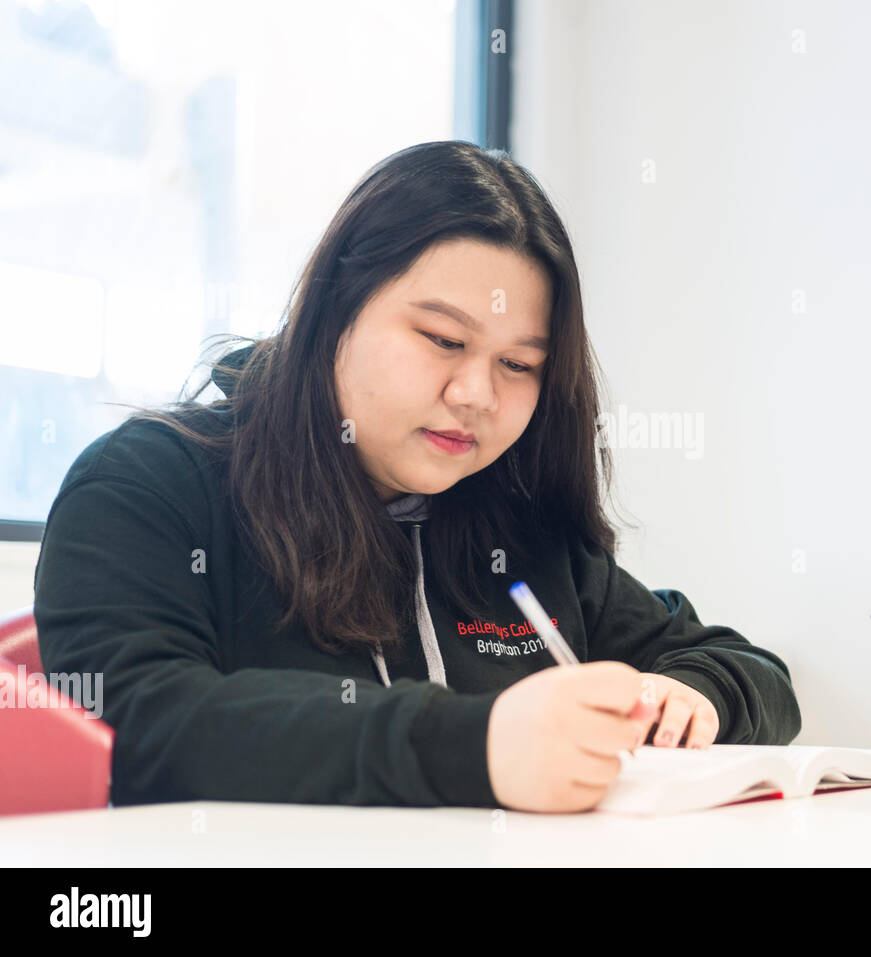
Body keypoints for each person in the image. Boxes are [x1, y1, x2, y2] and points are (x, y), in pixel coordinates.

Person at [33, 140, 801, 813]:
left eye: (518, 364)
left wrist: (691, 695)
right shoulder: (148, 485)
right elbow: (137, 720)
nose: (477, 394)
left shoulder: (511, 527)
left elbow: (748, 668)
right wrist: (475, 745)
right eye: (442, 338)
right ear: (335, 309)